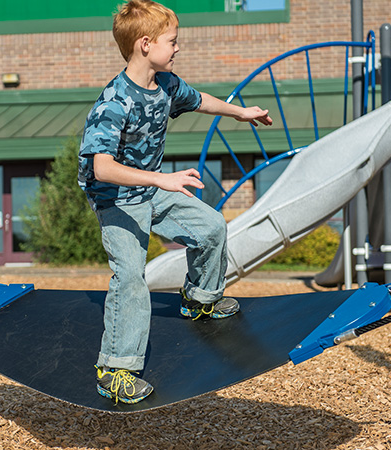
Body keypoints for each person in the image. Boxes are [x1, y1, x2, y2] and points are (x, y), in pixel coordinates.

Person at [78, 0, 273, 404]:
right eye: (172, 41)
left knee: (211, 227)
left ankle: (200, 300)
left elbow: (199, 100)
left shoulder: (166, 84)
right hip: (117, 200)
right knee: (131, 277)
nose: (178, 47)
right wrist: (161, 179)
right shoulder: (114, 101)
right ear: (145, 44)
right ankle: (115, 370)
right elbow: (102, 168)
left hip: (152, 190)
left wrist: (239, 113)